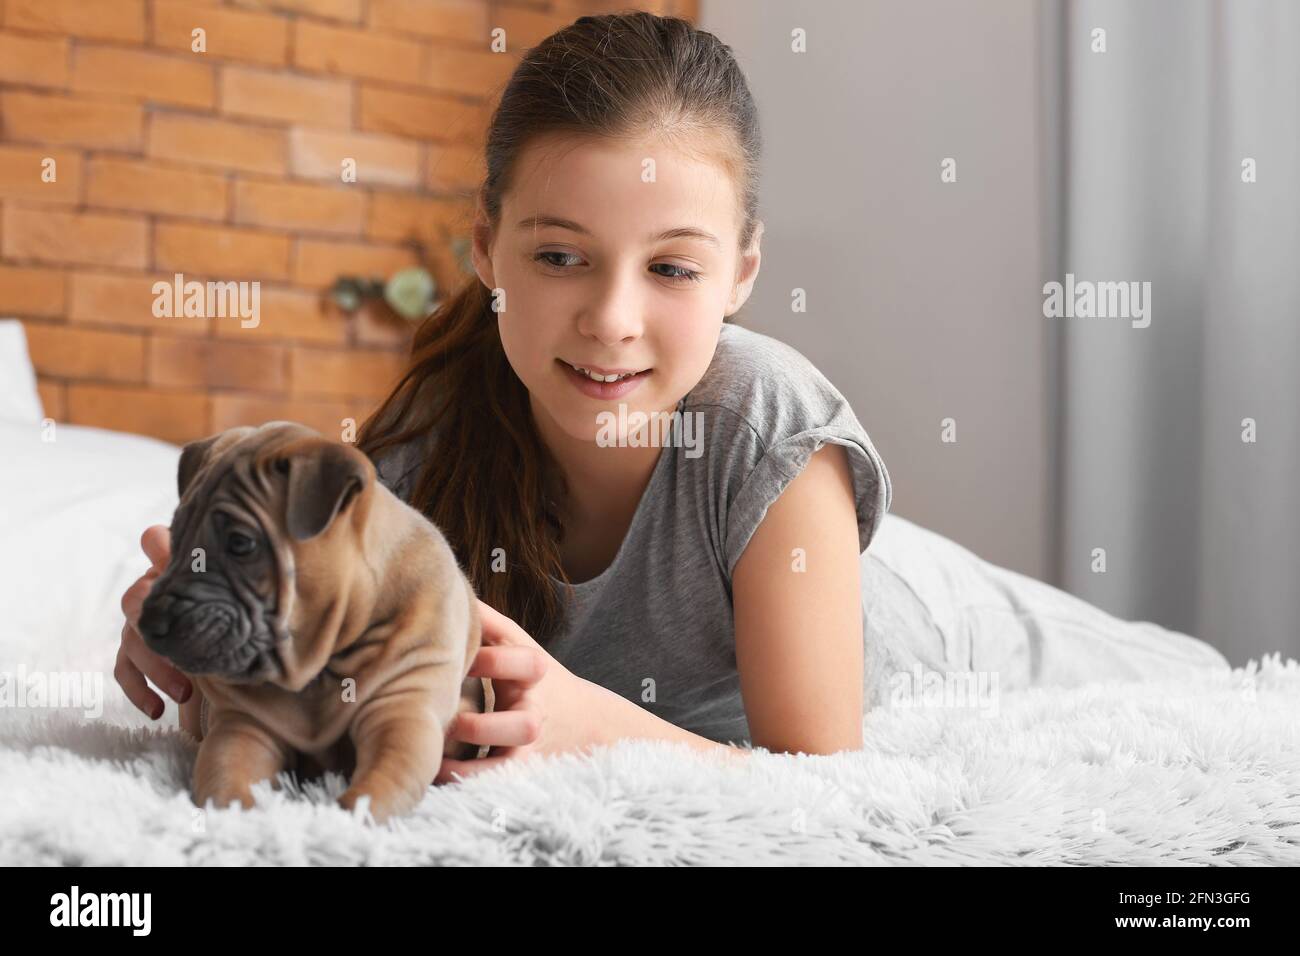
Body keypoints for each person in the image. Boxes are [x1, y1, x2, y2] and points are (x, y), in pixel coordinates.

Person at [115, 11, 1228, 785]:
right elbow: (327, 680)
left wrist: (589, 722)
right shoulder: (418, 458)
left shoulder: (766, 428)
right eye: (558, 256)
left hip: (1015, 645)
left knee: (1208, 686)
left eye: (671, 268)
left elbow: (826, 791)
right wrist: (214, 636)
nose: (610, 316)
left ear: (741, 274)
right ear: (485, 249)